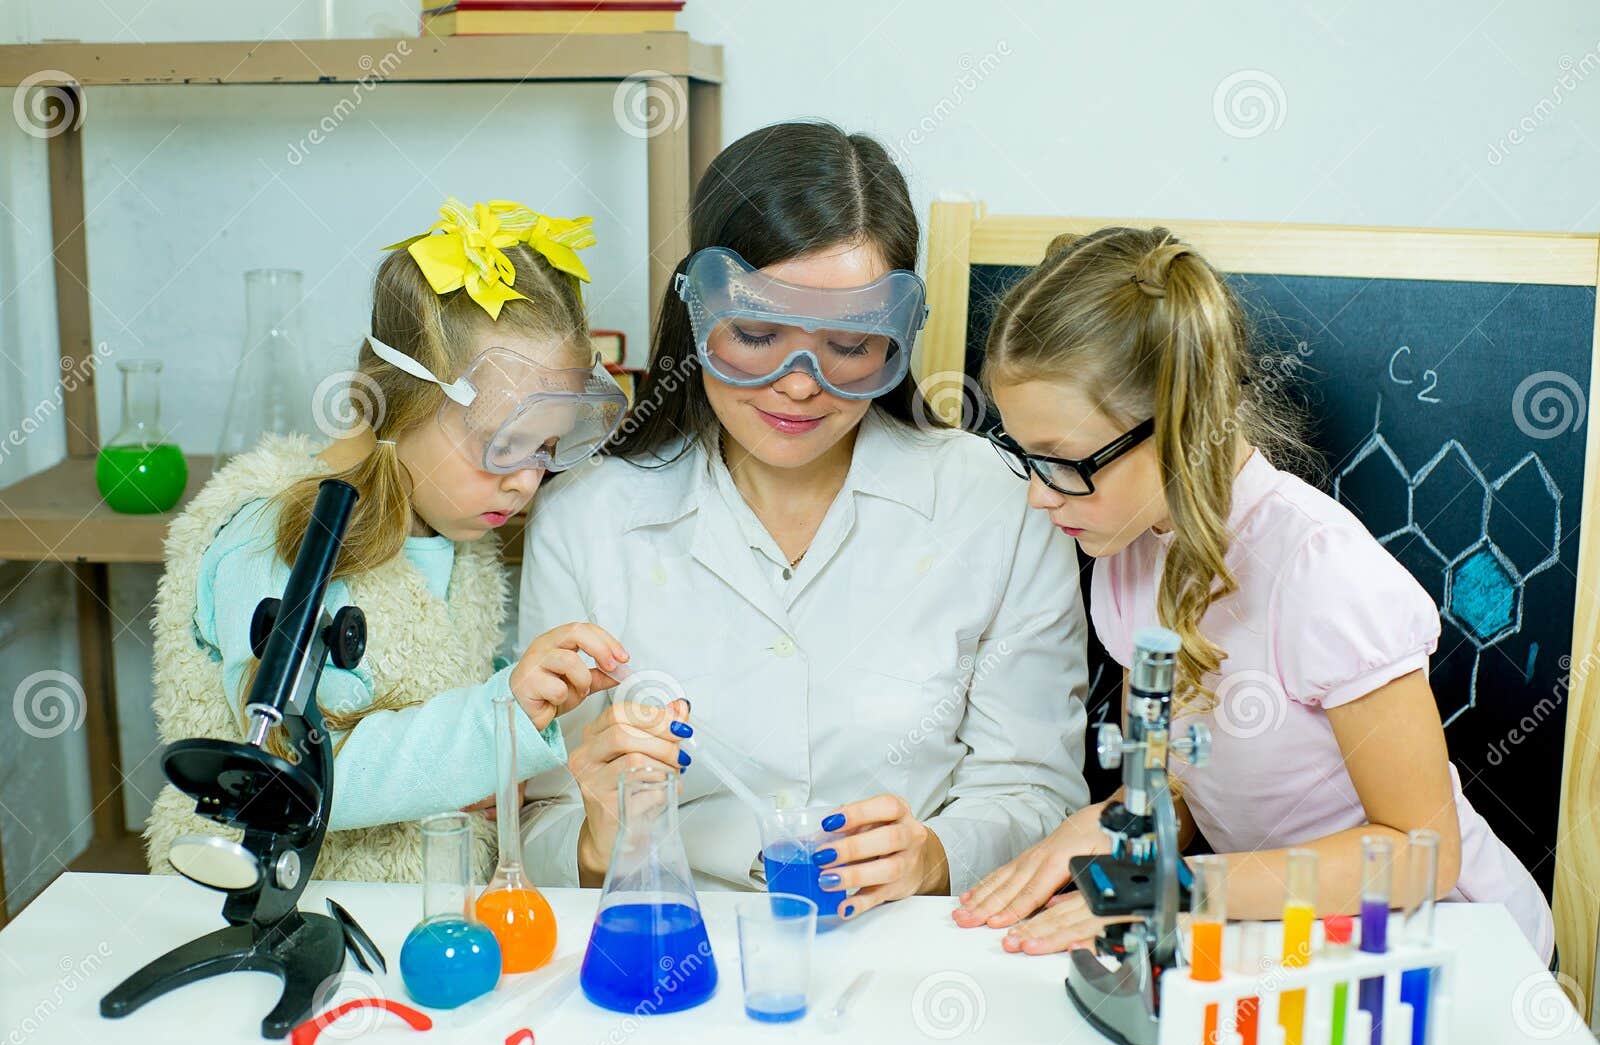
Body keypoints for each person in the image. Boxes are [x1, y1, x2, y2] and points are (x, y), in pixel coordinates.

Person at [519, 122, 1089, 913]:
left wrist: (933, 857)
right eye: (757, 334)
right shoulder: (583, 519)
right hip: (672, 936)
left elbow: (1038, 793)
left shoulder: (1001, 504)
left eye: (849, 343)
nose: (799, 383)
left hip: (914, 945)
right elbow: (534, 823)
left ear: (896, 336)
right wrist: (596, 836)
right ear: (699, 314)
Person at [953, 225, 1554, 960]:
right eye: (1024, 455)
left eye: (1064, 462)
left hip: (1461, 944)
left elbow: (1421, 853)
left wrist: (1187, 889)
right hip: (1298, 936)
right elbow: (1186, 777)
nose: (1039, 496)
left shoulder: (1322, 571)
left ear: (1180, 427)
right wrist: (1117, 827)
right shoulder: (1126, 546)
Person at [146, 199, 685, 882]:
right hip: (266, 902)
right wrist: (500, 720)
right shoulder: (277, 538)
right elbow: (287, 770)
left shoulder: (458, 542)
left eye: (547, 448)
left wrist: (502, 770)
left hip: (415, 914)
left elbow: (434, 732)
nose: (526, 480)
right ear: (402, 401)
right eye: (502, 444)